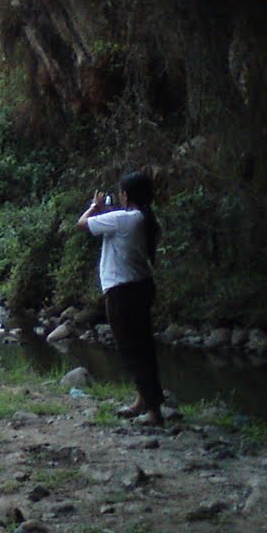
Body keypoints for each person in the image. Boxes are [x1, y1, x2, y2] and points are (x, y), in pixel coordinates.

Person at [77, 168, 165, 426]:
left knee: (132, 349)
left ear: (126, 195)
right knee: (143, 346)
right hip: (140, 286)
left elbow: (82, 224)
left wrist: (94, 206)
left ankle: (153, 410)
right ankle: (146, 400)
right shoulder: (143, 219)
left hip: (122, 290)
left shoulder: (123, 219)